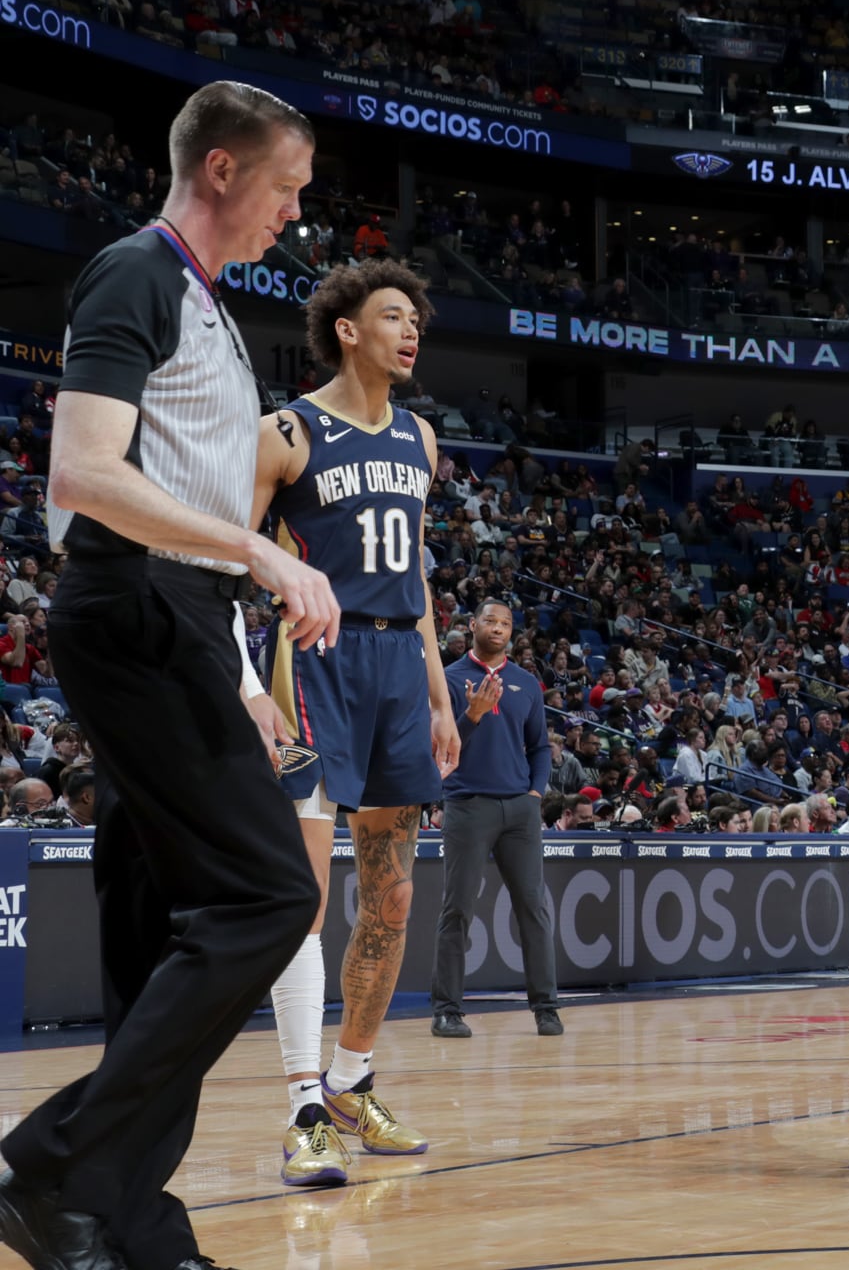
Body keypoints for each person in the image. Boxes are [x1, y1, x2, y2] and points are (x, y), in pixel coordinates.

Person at [0, 81, 340, 1270]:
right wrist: (252, 549)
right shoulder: (135, 274)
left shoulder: (207, 305)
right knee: (266, 894)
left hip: (182, 613)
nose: (293, 215)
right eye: (287, 187)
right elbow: (87, 473)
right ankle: (48, 1163)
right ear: (224, 171)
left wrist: (237, 620)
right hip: (135, 606)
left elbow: (185, 491)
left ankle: (126, 1219)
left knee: (158, 930)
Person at [255, 259, 459, 1186]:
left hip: (395, 671)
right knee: (307, 897)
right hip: (315, 660)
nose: (410, 330)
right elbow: (233, 557)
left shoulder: (419, 439)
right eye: (392, 315)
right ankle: (302, 1109)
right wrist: (251, 691)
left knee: (392, 898)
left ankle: (351, 1078)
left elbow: (414, 577)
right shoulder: (287, 430)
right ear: (346, 329)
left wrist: (441, 693)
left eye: (415, 318)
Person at [432, 597, 560, 1038]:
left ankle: (546, 1008)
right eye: (491, 620)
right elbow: (439, 749)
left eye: (506, 622)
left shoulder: (526, 682)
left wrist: (535, 793)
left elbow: (540, 746)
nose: (499, 627)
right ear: (472, 626)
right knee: (458, 910)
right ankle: (447, 1010)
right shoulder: (448, 680)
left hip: (519, 810)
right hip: (468, 805)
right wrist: (471, 715)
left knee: (533, 908)